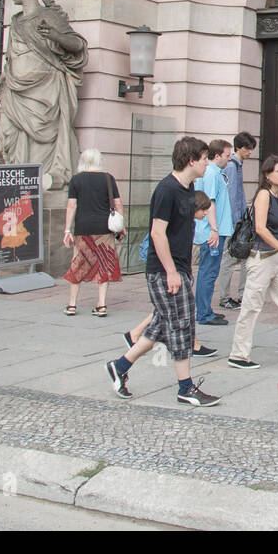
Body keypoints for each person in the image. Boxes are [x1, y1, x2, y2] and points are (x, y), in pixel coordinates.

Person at [104, 137, 221, 407]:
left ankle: (119, 367)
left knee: (159, 327)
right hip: (163, 270)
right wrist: (171, 271)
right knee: (182, 325)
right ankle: (186, 388)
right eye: (204, 158)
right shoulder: (166, 190)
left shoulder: (189, 188)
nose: (207, 162)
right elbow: (158, 233)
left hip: (178, 267)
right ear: (191, 160)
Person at [0, 0, 87, 189]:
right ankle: (15, 180)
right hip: (16, 87)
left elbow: (77, 45)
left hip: (44, 88)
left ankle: (44, 178)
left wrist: (55, 36)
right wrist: (5, 80)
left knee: (42, 135)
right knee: (10, 131)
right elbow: (11, 56)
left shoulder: (48, 16)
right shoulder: (15, 21)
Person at [226, 155, 278, 370]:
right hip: (262, 259)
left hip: (275, 260)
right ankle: (238, 355)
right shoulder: (264, 195)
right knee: (251, 307)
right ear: (267, 174)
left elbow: (272, 226)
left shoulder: (276, 195)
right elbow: (260, 228)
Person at [123, 190, 216, 357]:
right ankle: (191, 344)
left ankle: (134, 336)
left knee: (166, 310)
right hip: (167, 271)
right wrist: (173, 272)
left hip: (173, 270)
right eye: (203, 210)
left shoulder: (189, 223)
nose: (206, 213)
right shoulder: (180, 220)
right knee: (176, 310)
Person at [62, 149, 124, 317]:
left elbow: (71, 206)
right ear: (99, 161)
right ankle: (101, 305)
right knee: (104, 264)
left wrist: (67, 229)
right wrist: (121, 225)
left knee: (78, 263)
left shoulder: (76, 179)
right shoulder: (108, 178)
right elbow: (118, 204)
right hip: (104, 229)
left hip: (83, 228)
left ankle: (72, 304)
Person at [192, 139, 232, 326]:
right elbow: (210, 203)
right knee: (208, 272)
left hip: (214, 231)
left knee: (209, 271)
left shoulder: (215, 173)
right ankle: (203, 313)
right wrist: (214, 229)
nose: (229, 159)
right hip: (211, 232)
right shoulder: (211, 174)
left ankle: (205, 309)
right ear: (217, 156)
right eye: (227, 155)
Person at [216, 132, 257, 311]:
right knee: (230, 258)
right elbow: (232, 196)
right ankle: (225, 297)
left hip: (238, 220)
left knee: (241, 256)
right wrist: (236, 222)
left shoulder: (237, 165)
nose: (250, 152)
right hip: (234, 222)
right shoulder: (232, 166)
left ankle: (242, 295)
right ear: (239, 148)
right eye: (248, 148)